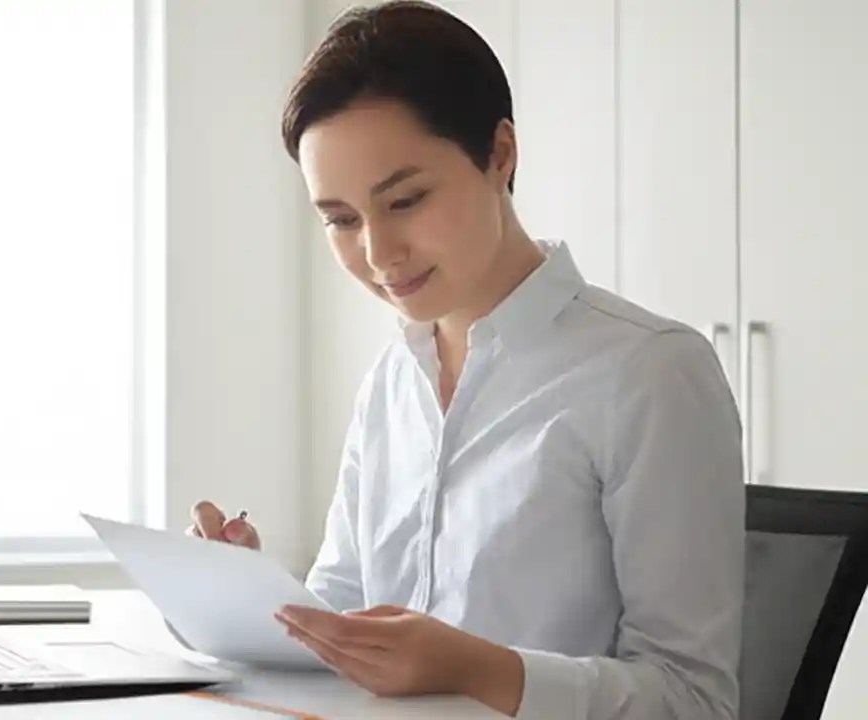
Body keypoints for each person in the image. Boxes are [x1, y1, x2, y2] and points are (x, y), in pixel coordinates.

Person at [188, 2, 744, 718]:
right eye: (341, 219)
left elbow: (696, 700)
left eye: (407, 200)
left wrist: (486, 671)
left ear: (500, 154)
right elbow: (345, 619)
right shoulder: (392, 381)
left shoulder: (649, 373)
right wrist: (252, 601)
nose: (378, 254)